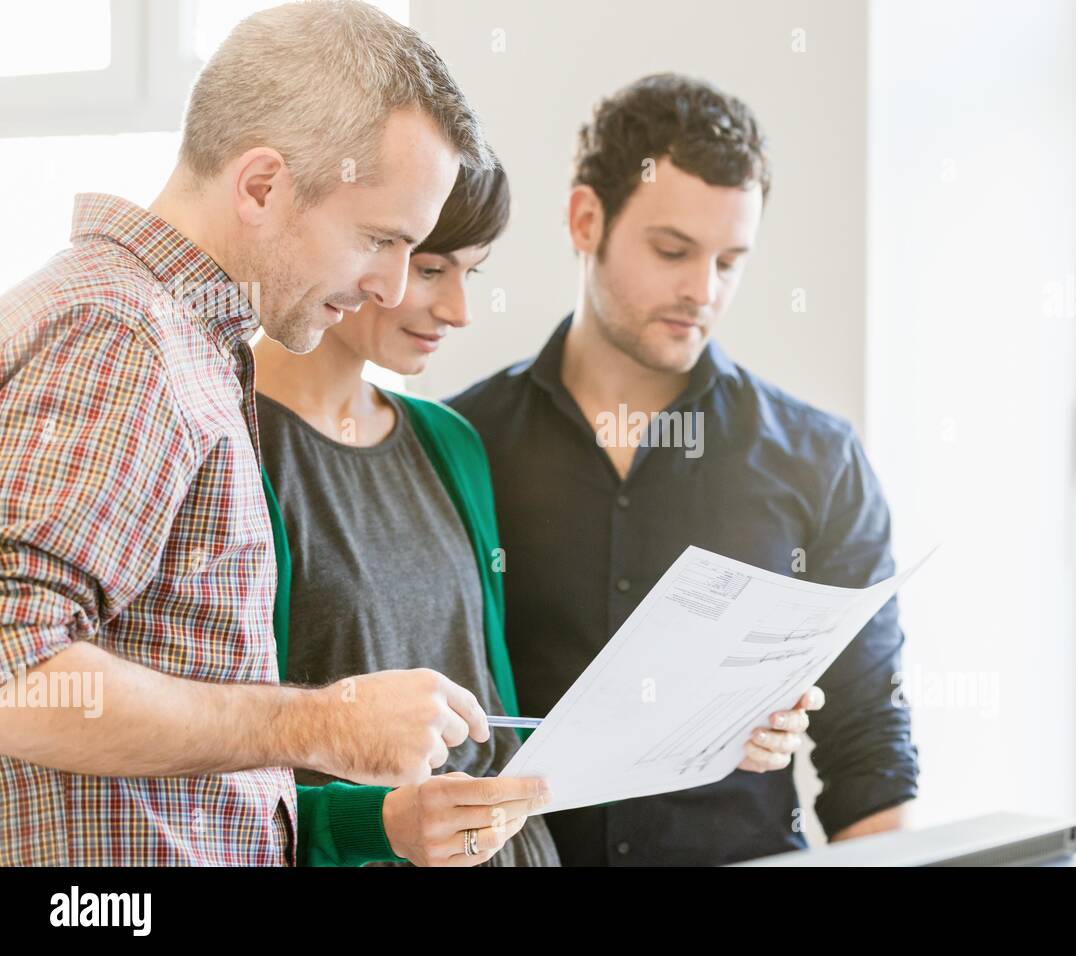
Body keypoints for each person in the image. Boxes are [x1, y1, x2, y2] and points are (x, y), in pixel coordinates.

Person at [0, 0, 499, 865]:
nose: (389, 288)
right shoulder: (122, 333)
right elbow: (15, 675)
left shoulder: (184, 343)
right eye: (379, 238)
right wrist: (324, 723)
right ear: (262, 186)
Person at [449, 73, 920, 865]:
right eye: (673, 251)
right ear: (585, 219)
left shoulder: (819, 461)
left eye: (731, 261)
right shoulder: (461, 445)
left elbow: (869, 741)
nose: (704, 291)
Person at [254, 161, 556, 867]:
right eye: (431, 270)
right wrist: (374, 821)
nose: (458, 310)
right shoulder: (238, 445)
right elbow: (212, 775)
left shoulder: (449, 443)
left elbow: (497, 721)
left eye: (471, 275)